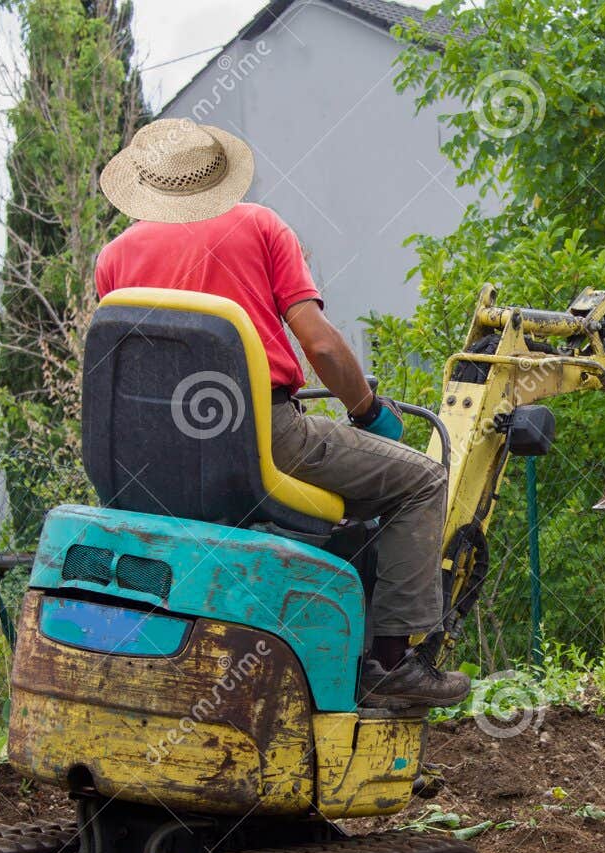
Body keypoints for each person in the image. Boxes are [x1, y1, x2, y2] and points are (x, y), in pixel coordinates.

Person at [95, 118, 468, 709]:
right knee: (419, 482)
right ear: (221, 176)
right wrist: (367, 410)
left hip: (148, 455)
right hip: (258, 436)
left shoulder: (113, 258)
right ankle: (391, 666)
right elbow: (319, 345)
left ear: (144, 185)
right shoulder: (260, 226)